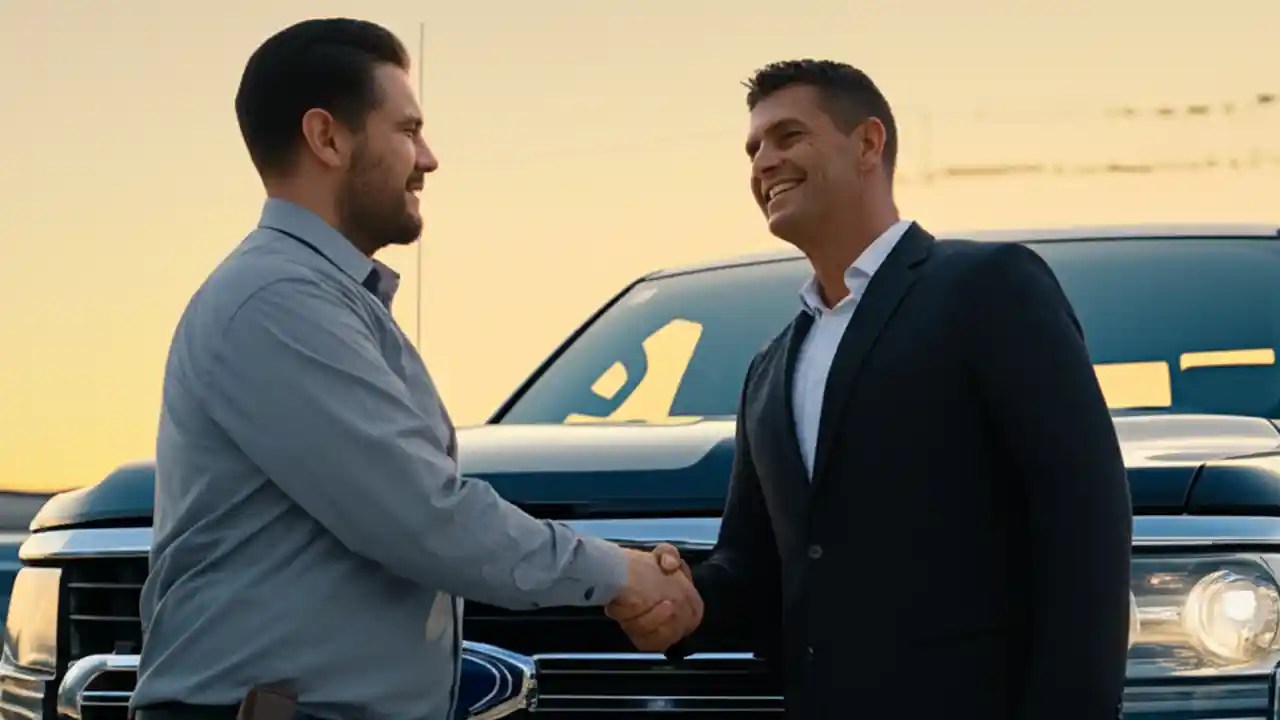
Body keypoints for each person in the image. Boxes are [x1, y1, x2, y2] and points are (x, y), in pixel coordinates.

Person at [131, 18, 699, 720]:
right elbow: (420, 515)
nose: (427, 158)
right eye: (407, 130)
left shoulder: (325, 300)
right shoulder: (279, 301)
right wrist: (621, 572)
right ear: (327, 138)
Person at [607, 59, 1133, 718]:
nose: (763, 163)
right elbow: (756, 567)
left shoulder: (990, 287)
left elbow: (1084, 525)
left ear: (868, 143)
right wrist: (680, 604)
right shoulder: (768, 370)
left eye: (787, 136)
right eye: (753, 149)